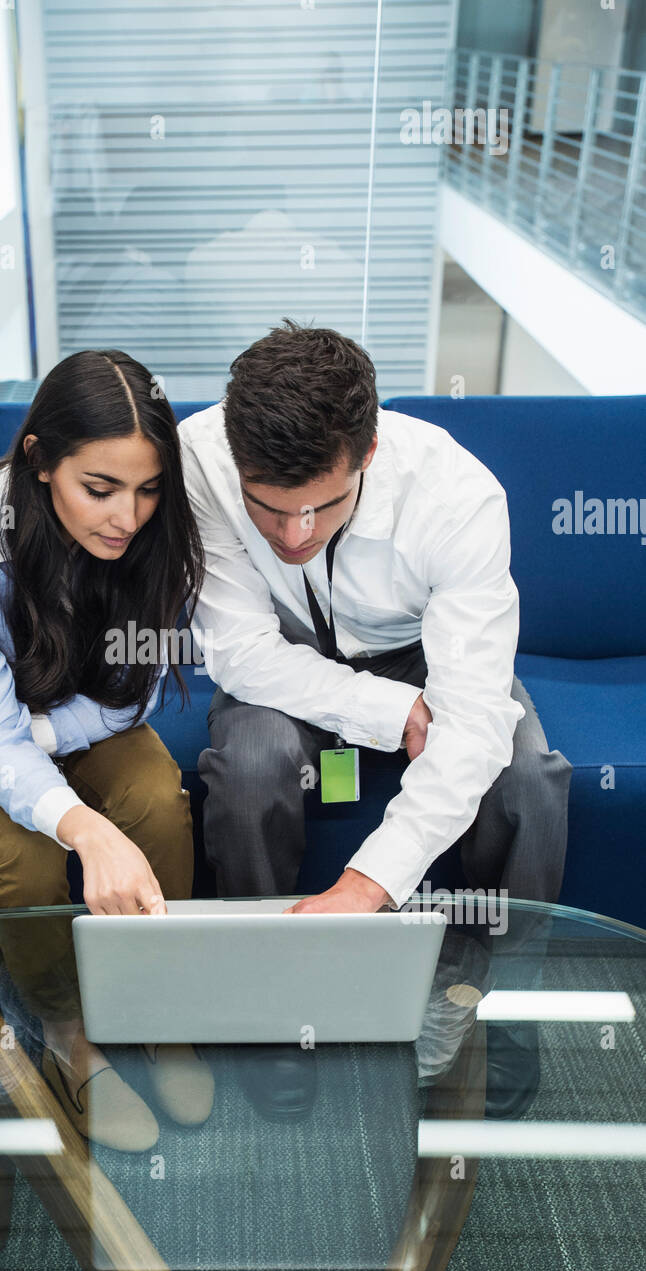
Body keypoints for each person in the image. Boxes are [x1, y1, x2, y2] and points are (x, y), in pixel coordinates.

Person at [178, 322, 572, 1117]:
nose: (295, 536)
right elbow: (241, 650)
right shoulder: (201, 459)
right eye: (270, 510)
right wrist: (389, 713)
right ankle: (266, 1003)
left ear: (368, 453)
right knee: (251, 768)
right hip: (279, 663)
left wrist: (368, 885)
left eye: (321, 508)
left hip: (423, 653)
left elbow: (468, 723)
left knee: (528, 779)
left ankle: (491, 999)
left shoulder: (460, 497)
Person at [0, 349, 214, 1150]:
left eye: (148, 488)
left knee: (156, 795)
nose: (129, 516)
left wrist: (13, 746)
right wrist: (77, 822)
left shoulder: (157, 533)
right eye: (101, 489)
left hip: (69, 710)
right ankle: (69, 1036)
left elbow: (142, 691)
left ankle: (160, 1010)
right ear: (39, 460)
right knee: (24, 843)